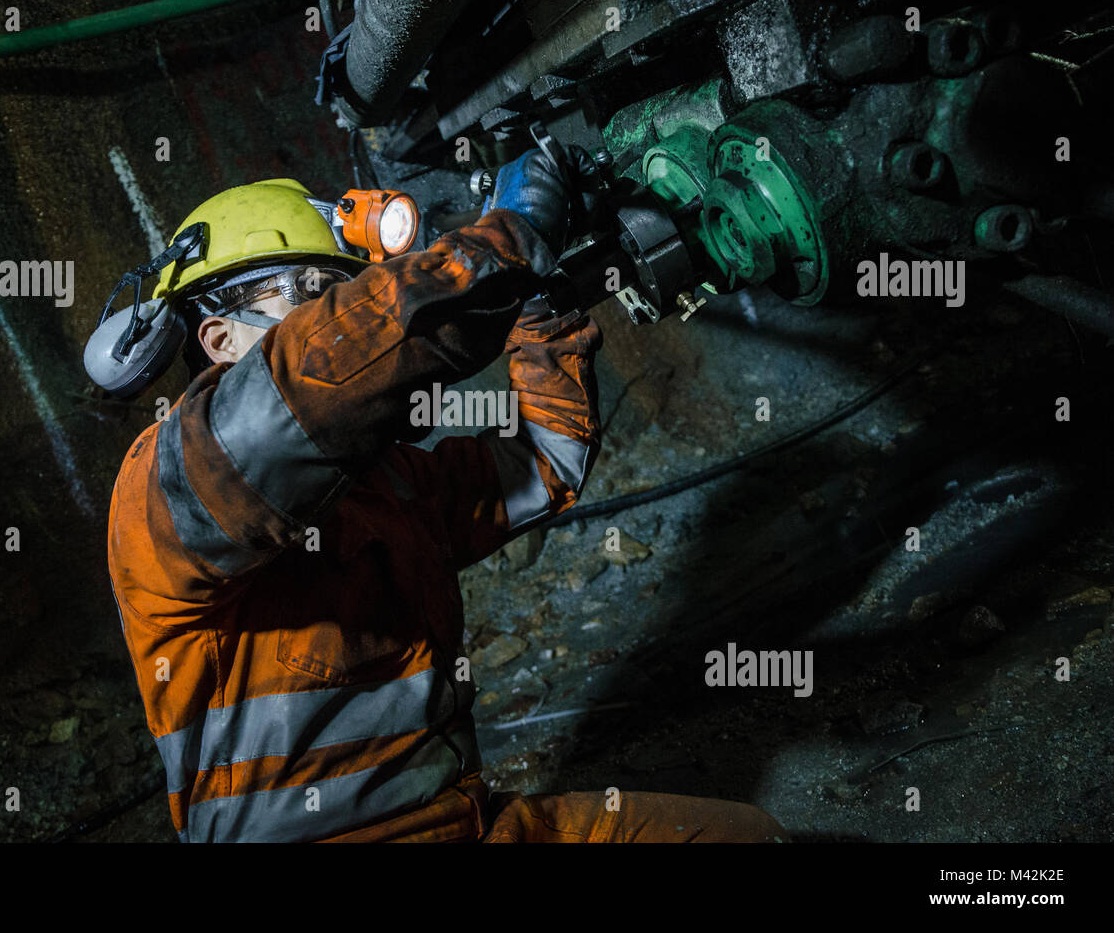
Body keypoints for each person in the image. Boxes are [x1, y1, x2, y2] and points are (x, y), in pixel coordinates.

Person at [100, 146, 788, 842]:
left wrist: (542, 312)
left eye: (346, 290)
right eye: (313, 290)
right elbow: (303, 385)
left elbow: (544, 461)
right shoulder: (162, 491)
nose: (340, 315)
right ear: (218, 337)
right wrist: (508, 237)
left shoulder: (384, 488)